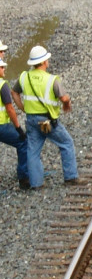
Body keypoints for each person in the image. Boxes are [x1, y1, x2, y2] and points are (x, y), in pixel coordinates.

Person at [18, 45, 77, 189]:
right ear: (45, 62)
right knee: (66, 143)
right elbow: (63, 98)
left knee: (33, 151)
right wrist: (67, 102)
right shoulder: (51, 80)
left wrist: (22, 107)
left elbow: (14, 93)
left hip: (31, 120)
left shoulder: (24, 76)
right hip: (48, 121)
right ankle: (70, 177)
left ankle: (36, 184)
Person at [0, 41, 29, 189]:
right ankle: (24, 178)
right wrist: (18, 128)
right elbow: (10, 108)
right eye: (2, 67)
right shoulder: (2, 85)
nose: (4, 69)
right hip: (1, 126)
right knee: (22, 143)